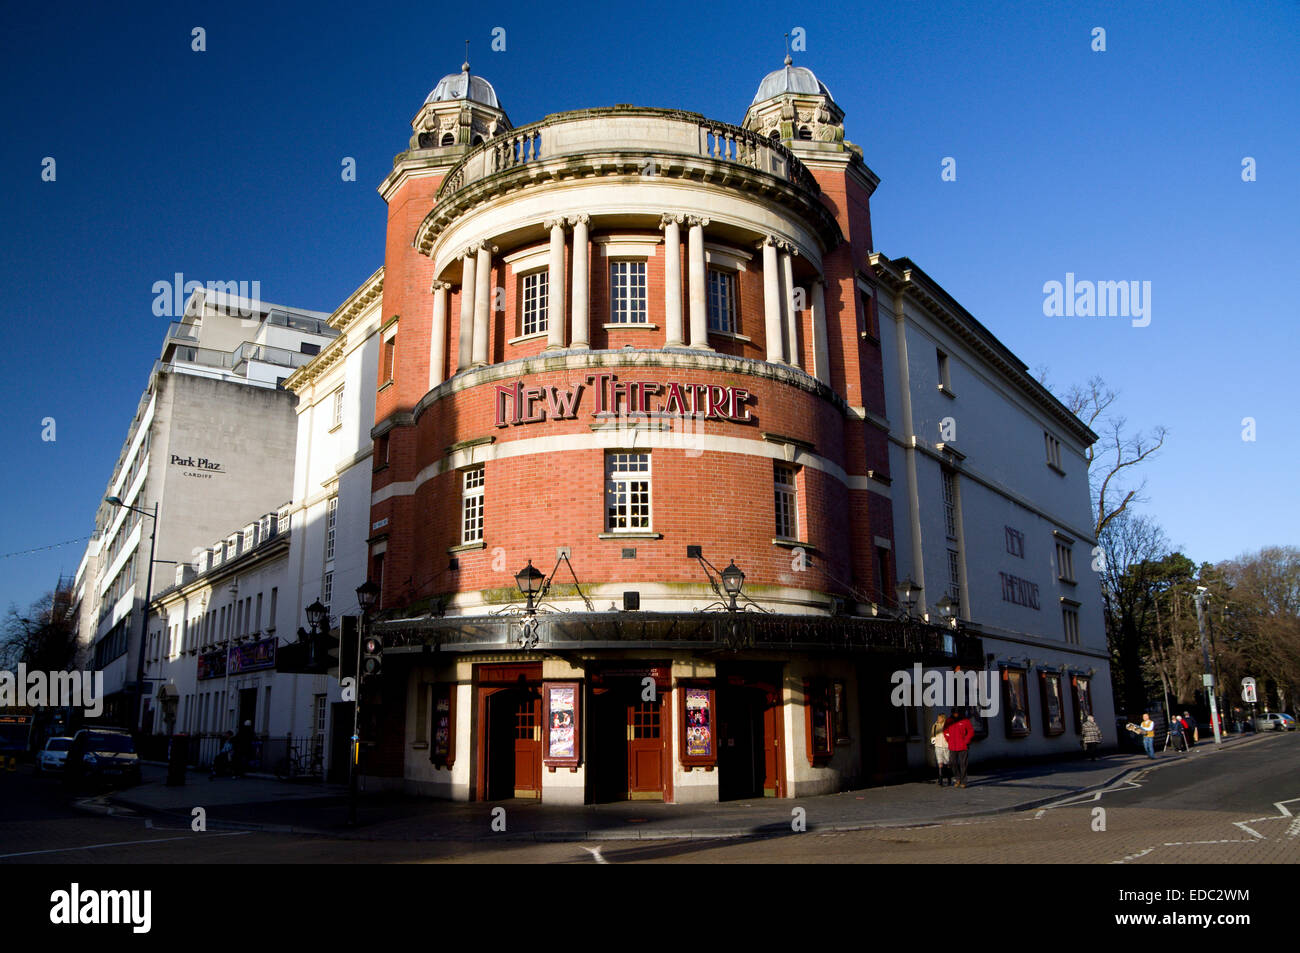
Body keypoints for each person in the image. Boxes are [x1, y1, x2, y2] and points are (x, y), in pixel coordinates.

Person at [943, 710, 975, 787]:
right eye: (954, 713)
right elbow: (945, 731)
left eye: (957, 713)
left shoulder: (965, 721)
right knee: (952, 763)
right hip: (952, 746)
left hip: (963, 746)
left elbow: (971, 731)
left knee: (963, 764)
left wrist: (966, 741)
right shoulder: (949, 721)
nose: (956, 714)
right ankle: (958, 779)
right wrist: (948, 739)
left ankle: (964, 781)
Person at [930, 713, 951, 786]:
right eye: (937, 718)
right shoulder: (935, 726)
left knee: (948, 763)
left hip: (946, 746)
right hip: (938, 746)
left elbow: (950, 735)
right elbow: (932, 735)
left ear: (943, 718)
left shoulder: (948, 725)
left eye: (939, 718)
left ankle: (949, 778)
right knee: (940, 763)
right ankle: (940, 779)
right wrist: (933, 743)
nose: (938, 719)